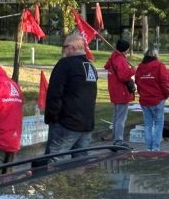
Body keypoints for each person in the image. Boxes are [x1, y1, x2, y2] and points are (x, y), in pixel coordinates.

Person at [39, 32, 98, 164]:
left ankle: (57, 185)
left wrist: (51, 117)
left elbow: (55, 93)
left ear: (72, 48)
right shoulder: (90, 67)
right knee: (80, 163)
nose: (63, 50)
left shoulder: (65, 64)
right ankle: (77, 184)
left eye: (64, 47)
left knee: (55, 162)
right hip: (86, 123)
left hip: (67, 123)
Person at [135, 47, 169, 152]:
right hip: (157, 99)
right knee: (159, 123)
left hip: (145, 99)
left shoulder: (141, 67)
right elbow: (164, 82)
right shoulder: (159, 66)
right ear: (156, 55)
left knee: (148, 124)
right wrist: (166, 95)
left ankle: (149, 147)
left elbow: (137, 82)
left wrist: (141, 93)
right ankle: (155, 147)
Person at [104, 38, 136, 147]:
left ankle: (115, 137)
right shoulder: (121, 60)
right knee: (121, 118)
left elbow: (107, 67)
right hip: (121, 91)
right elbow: (123, 76)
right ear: (125, 49)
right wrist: (133, 70)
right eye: (127, 49)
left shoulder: (113, 58)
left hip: (114, 90)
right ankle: (118, 140)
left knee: (116, 115)